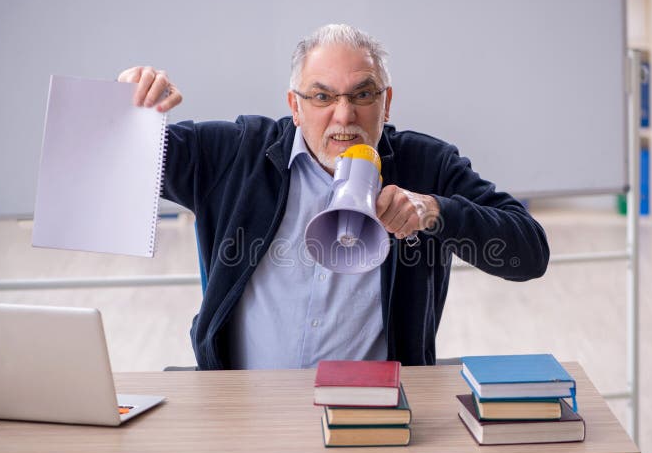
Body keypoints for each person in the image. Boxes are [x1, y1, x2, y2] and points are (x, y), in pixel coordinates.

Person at [118, 23, 549, 370]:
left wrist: (437, 212)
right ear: (295, 104)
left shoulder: (427, 165)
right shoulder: (234, 154)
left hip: (372, 419)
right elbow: (115, 159)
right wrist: (130, 102)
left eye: (363, 95)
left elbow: (530, 253)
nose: (344, 115)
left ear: (387, 102)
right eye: (322, 96)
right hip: (241, 410)